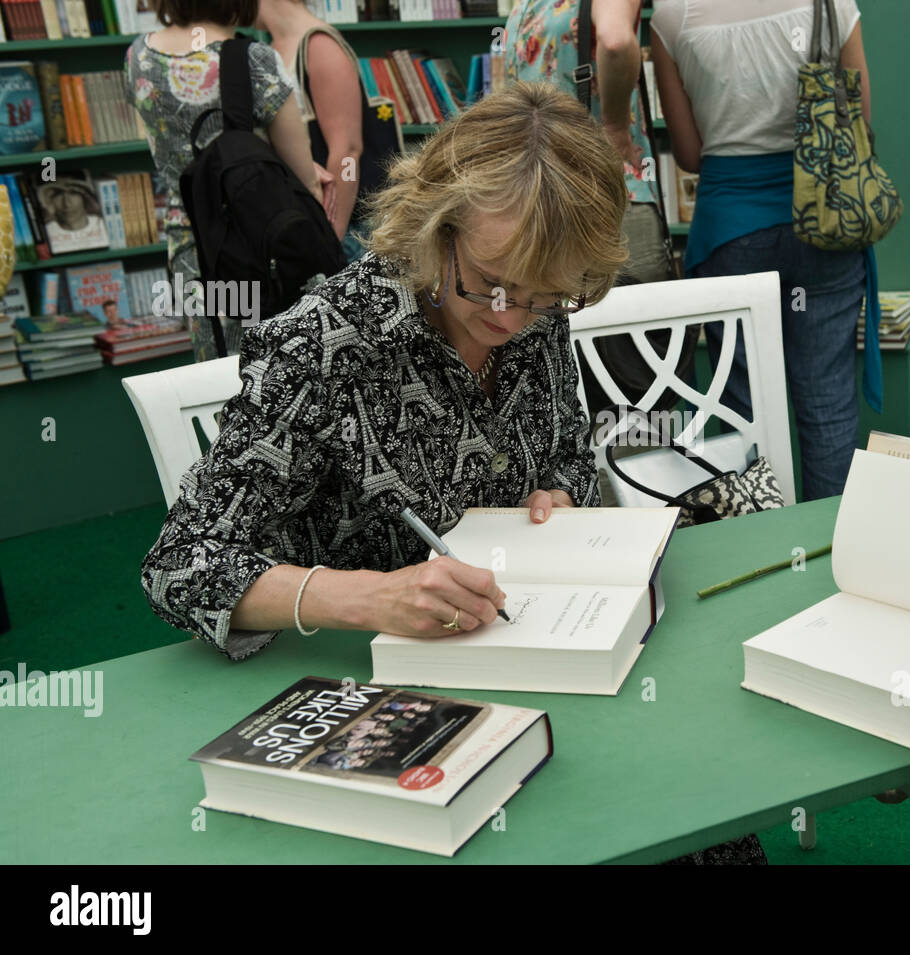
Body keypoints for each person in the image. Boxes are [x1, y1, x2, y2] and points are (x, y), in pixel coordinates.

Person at [141, 82, 626, 660]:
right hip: (339, 669)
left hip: (504, 644)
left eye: (546, 294)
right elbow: (180, 563)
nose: (513, 316)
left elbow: (566, 454)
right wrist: (374, 597)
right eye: (491, 283)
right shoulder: (324, 343)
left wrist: (562, 500)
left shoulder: (536, 314)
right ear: (434, 227)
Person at [650, 0, 882, 501]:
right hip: (824, 218)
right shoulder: (831, 4)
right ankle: (827, 555)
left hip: (731, 232)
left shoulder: (674, 16)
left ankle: (766, 553)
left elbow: (689, 155)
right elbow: (859, 120)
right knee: (827, 402)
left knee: (744, 413)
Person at [128, 0, 324, 362]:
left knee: (221, 375)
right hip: (259, 248)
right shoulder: (254, 60)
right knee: (281, 373)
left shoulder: (139, 55)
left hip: (193, 249)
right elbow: (304, 179)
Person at [504, 0, 670, 286]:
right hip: (607, 195)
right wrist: (615, 126)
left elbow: (616, 42)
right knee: (634, 323)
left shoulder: (525, 6)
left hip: (538, 199)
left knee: (561, 323)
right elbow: (615, 40)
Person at [256, 0, 373, 261]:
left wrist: (332, 236)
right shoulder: (272, 49)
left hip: (343, 230)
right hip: (305, 223)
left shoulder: (319, 44)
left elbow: (348, 151)